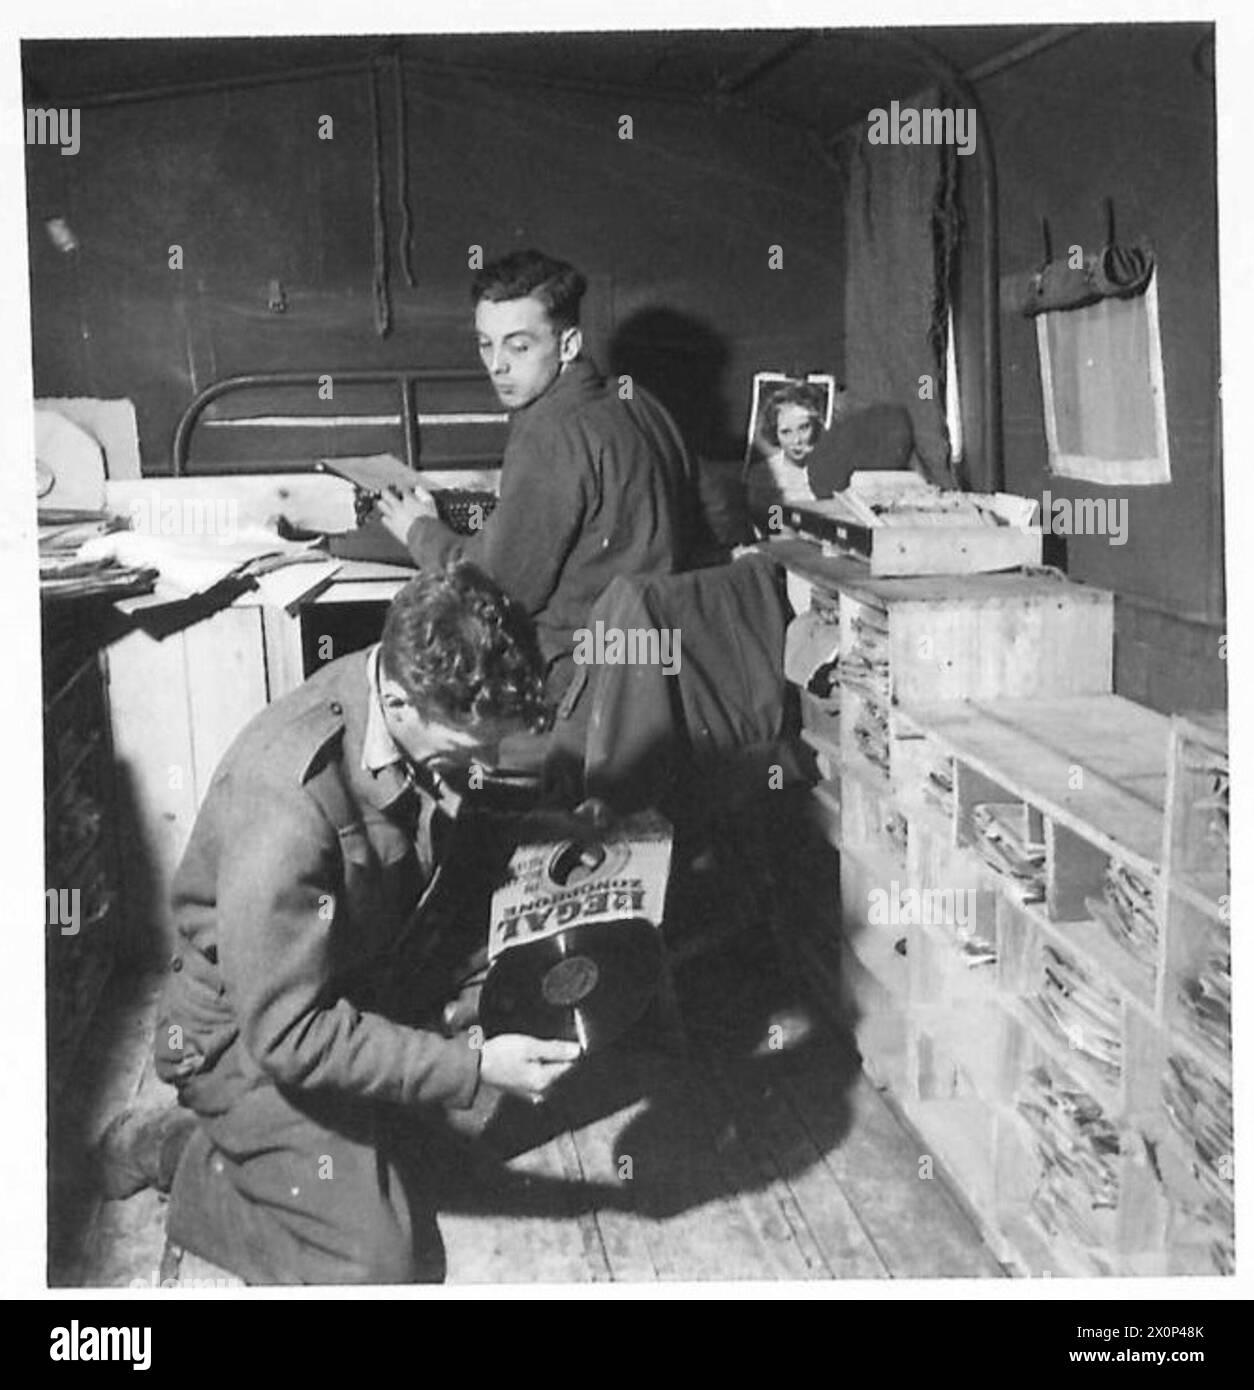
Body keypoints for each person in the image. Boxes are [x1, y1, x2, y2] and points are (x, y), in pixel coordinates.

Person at [97, 563, 582, 1284]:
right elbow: (288, 1034)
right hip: (246, 1041)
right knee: (373, 1264)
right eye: (470, 751)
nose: (484, 766)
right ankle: (178, 1151)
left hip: (359, 966)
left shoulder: (403, 693)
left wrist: (557, 829)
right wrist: (472, 1064)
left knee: (480, 1130)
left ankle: (336, 1139)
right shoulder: (285, 804)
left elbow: (444, 808)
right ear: (398, 699)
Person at [375, 249, 693, 708]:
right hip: (656, 665)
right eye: (486, 343)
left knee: (385, 676)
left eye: (518, 345)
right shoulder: (638, 401)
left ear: (568, 345)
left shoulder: (552, 431)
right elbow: (717, 509)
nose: (496, 364)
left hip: (572, 679)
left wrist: (419, 531)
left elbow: (493, 591)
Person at [743, 382, 826, 512]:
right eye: (786, 432)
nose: (796, 440)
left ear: (815, 426)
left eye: (803, 427)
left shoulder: (832, 467)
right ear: (775, 432)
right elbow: (772, 525)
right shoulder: (765, 475)